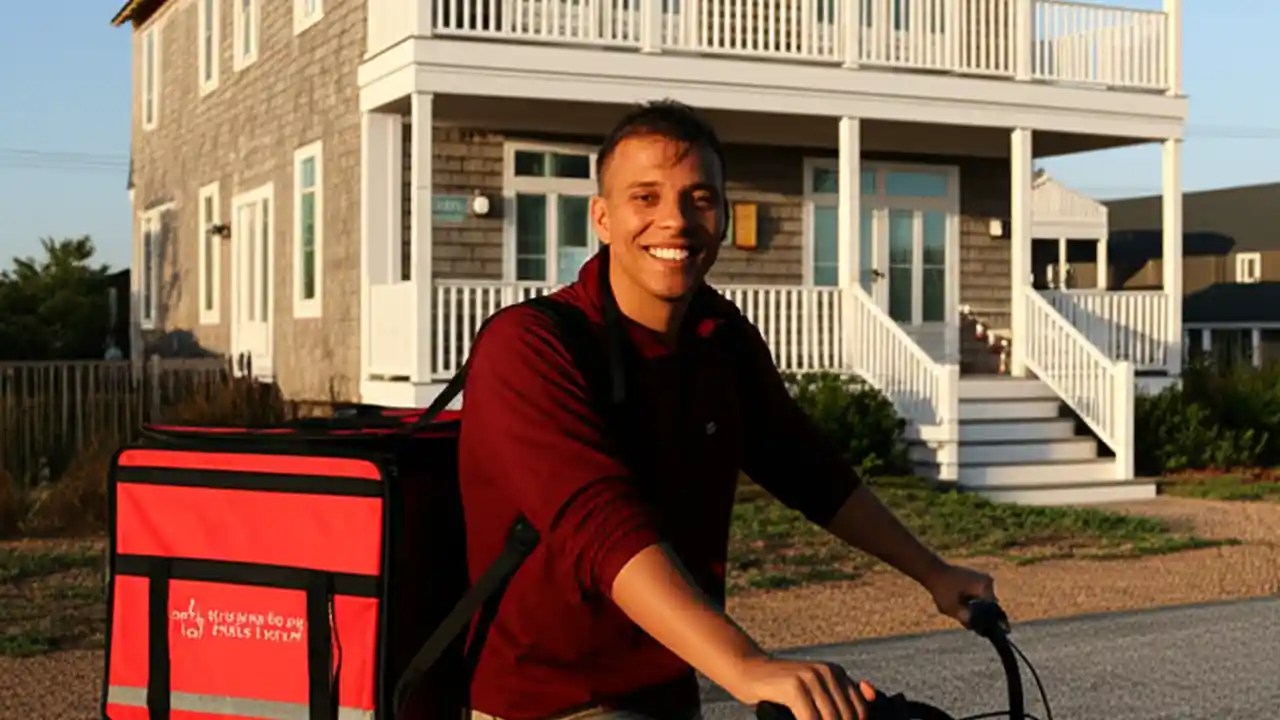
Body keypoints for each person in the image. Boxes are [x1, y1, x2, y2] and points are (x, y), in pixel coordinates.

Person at [456, 99, 996, 720]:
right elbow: (598, 523)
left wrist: (932, 573)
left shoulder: (719, 336)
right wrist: (743, 663)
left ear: (722, 215)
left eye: (699, 199)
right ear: (602, 218)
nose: (676, 221)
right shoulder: (529, 346)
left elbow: (804, 467)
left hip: (667, 689)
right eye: (646, 198)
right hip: (550, 703)